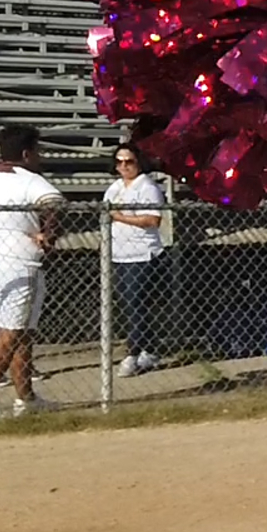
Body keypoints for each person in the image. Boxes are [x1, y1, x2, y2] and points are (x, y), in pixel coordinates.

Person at [0, 126, 63, 420]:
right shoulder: (30, 180)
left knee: (21, 333)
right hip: (21, 263)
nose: (39, 156)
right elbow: (55, 203)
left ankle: (26, 397)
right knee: (10, 334)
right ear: (26, 154)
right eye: (37, 151)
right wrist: (49, 233)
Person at [105, 143, 166, 377]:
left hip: (141, 253)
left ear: (138, 162)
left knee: (135, 302)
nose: (123, 166)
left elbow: (152, 220)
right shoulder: (116, 187)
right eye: (119, 162)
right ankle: (149, 349)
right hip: (119, 253)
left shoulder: (147, 187)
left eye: (128, 161)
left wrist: (120, 217)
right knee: (129, 304)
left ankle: (133, 352)